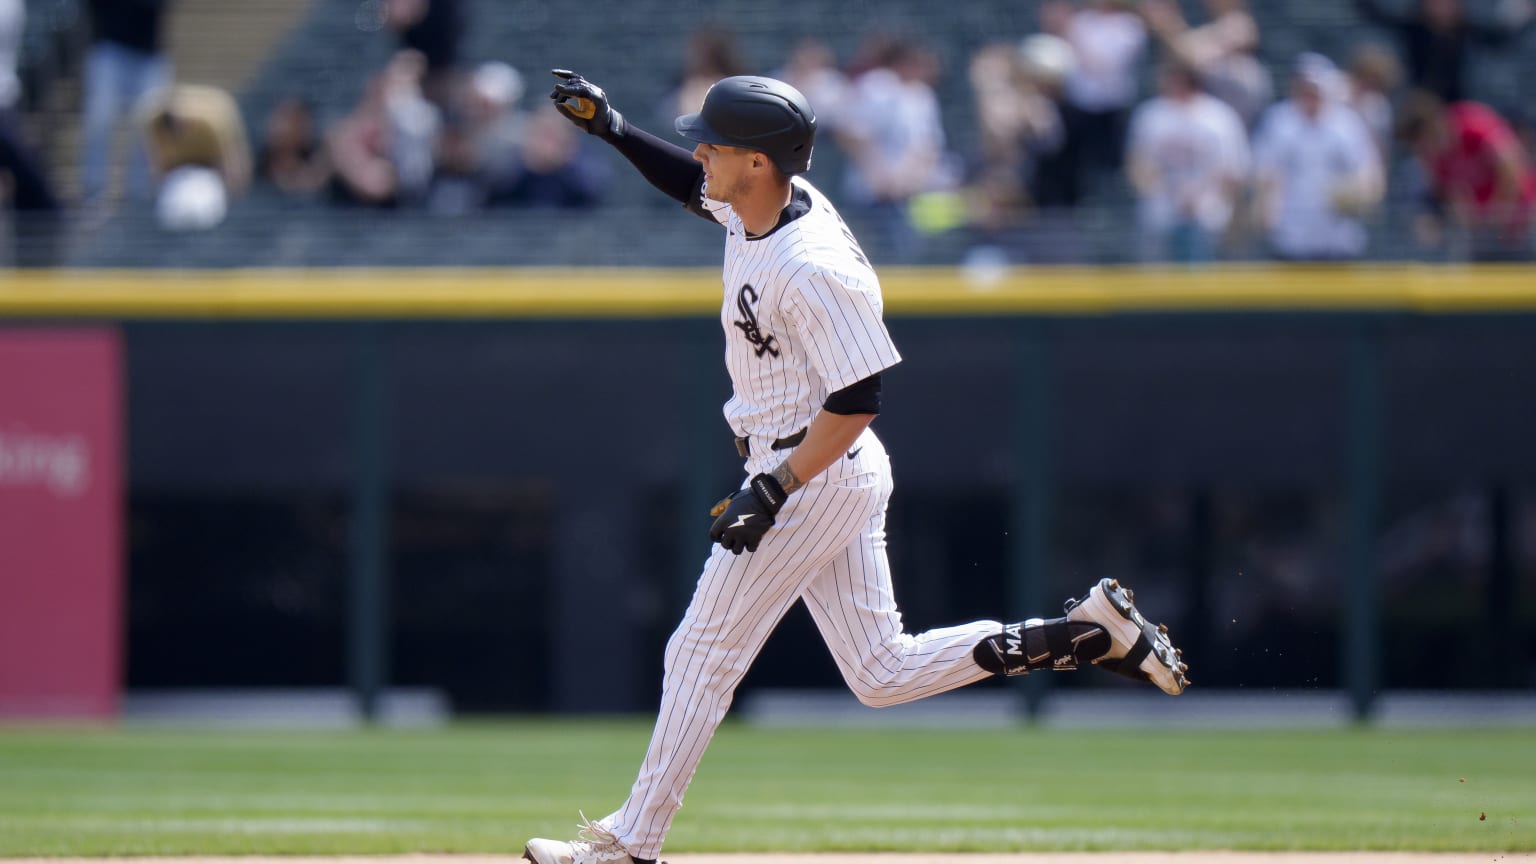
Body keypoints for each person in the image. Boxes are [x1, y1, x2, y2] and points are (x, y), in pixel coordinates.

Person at [520, 67, 1190, 864]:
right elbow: (690, 186)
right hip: (820, 467)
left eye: (716, 142)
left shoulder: (813, 263)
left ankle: (632, 845)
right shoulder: (753, 203)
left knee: (698, 652)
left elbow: (859, 398)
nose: (700, 149)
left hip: (814, 467)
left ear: (759, 163)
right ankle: (1084, 636)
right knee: (880, 671)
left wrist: (774, 488)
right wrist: (614, 127)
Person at [1251, 54, 1384, 260]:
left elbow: (1368, 172)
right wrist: (1266, 205)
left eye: (1314, 89)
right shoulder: (1279, 121)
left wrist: (1359, 194)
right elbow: (1266, 172)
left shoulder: (1347, 124)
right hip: (1290, 235)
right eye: (1305, 88)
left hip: (1338, 236)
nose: (1310, 95)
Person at [1125, 60, 1249, 262]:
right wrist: (1167, 190)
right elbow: (1137, 167)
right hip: (1160, 218)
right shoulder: (1150, 116)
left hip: (1208, 219)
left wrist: (1198, 193)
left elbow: (1233, 172)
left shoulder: (1219, 117)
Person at [1397, 91, 1536, 260]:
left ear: (1433, 126)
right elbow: (1447, 192)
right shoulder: (1431, 154)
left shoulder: (1471, 123)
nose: (1423, 149)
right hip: (1482, 230)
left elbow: (1512, 168)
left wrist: (1497, 214)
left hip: (1521, 216)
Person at [80, 0, 173, 206]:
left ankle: (139, 197)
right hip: (109, 48)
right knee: (100, 120)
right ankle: (93, 193)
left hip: (150, 54)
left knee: (149, 129)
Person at [1353, 0, 1533, 103]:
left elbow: (1500, 37)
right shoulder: (1415, 27)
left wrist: (1524, 12)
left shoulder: (1466, 30)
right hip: (1420, 103)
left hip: (1458, 103)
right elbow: (1379, 16)